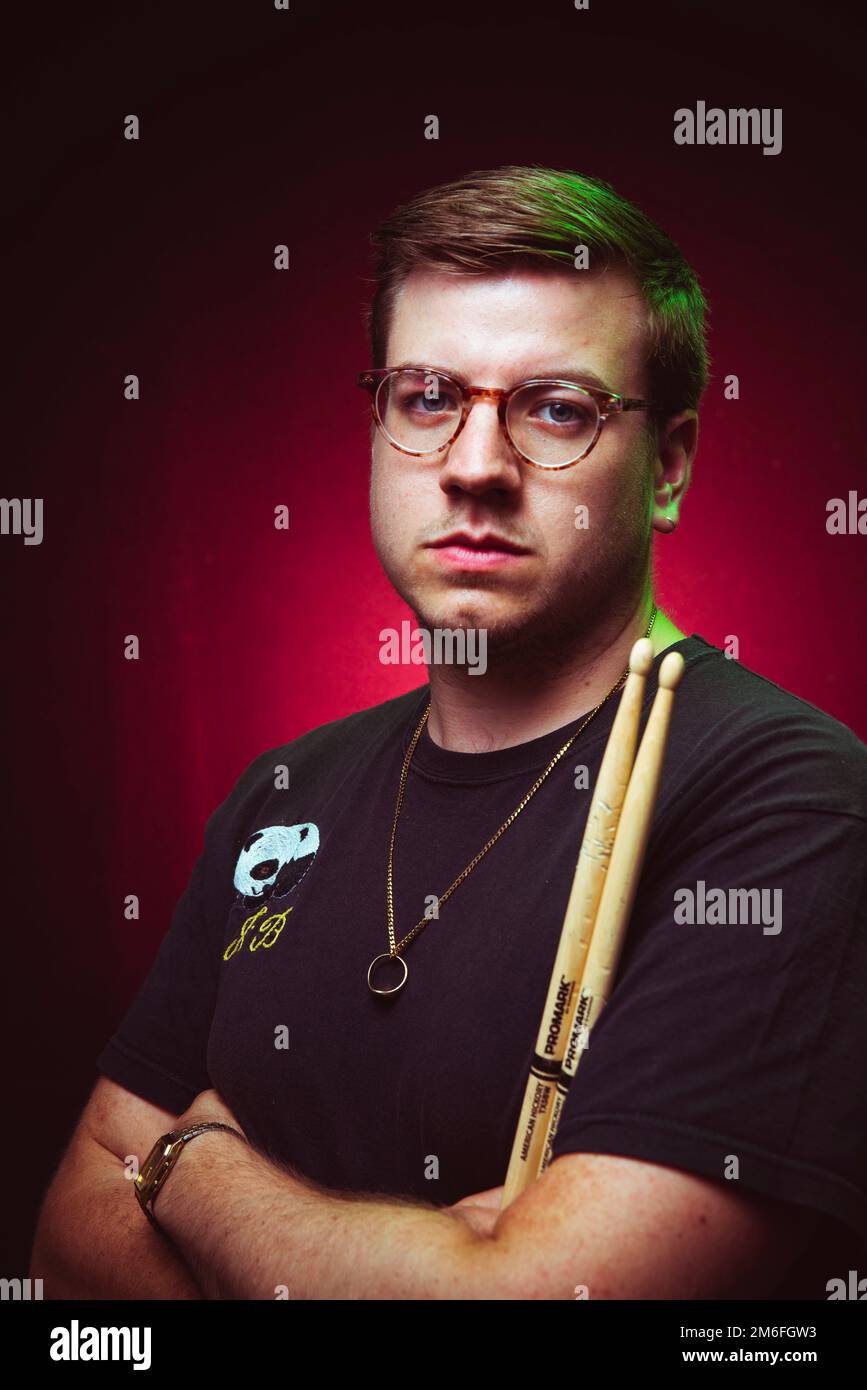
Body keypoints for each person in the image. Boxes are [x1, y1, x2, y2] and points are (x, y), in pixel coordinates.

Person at [32, 166, 867, 1300]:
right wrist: (430, 1257)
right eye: (429, 396)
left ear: (668, 464)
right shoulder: (286, 793)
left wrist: (193, 1163)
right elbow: (69, 1244)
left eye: (557, 408)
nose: (476, 466)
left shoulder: (791, 804)